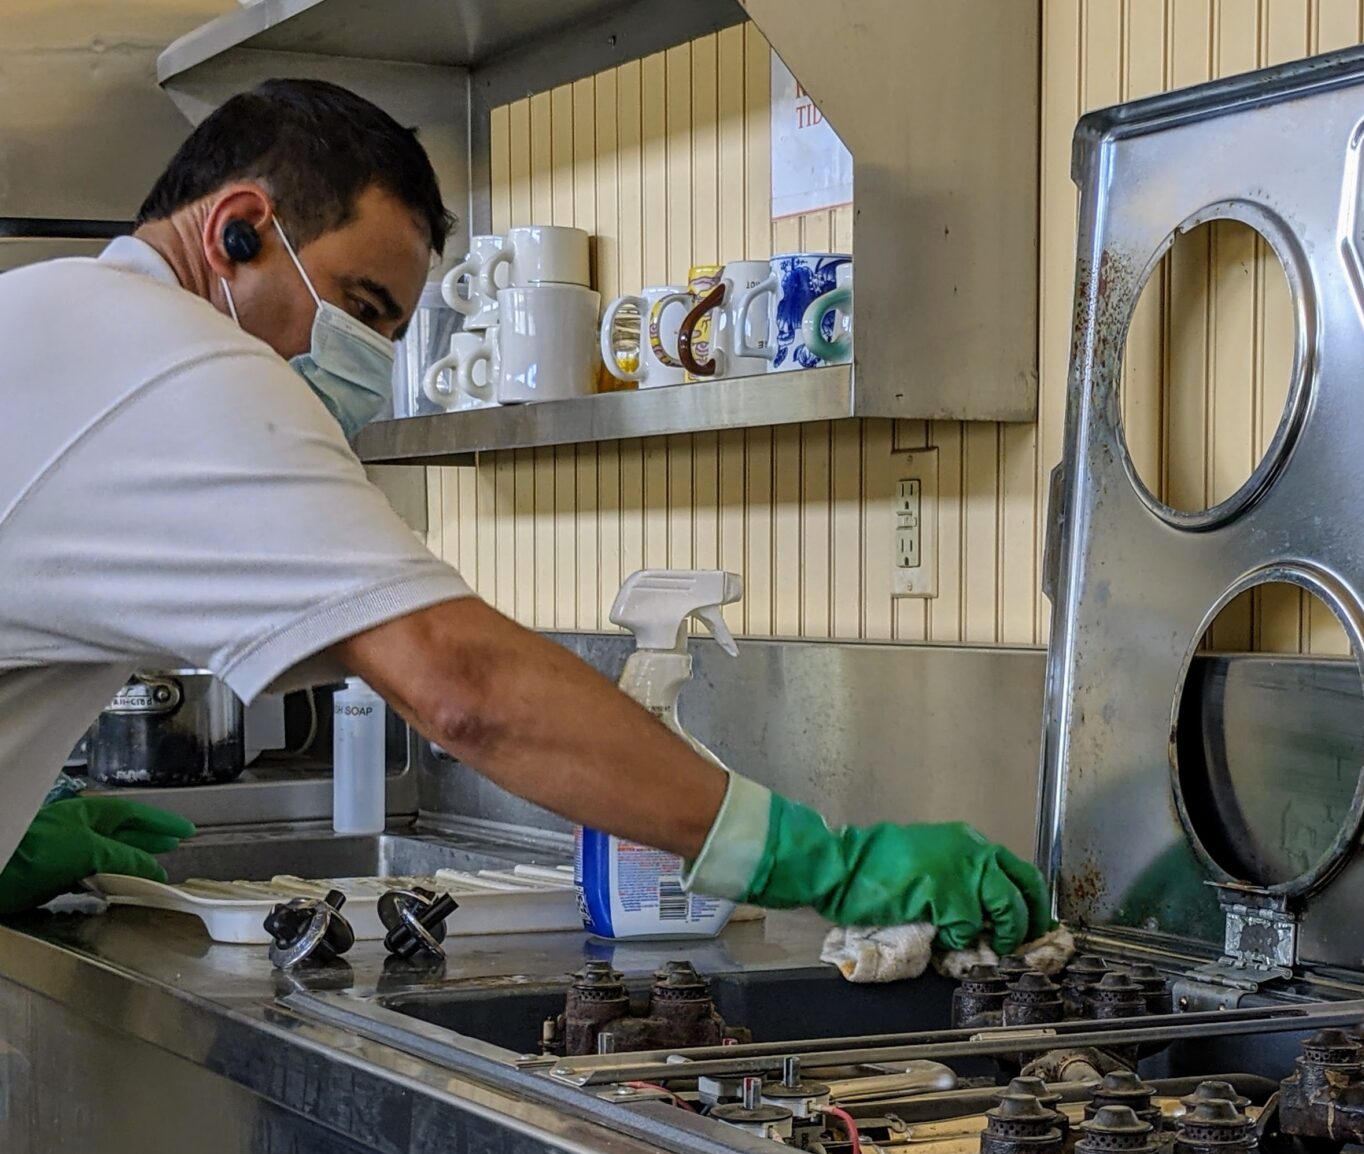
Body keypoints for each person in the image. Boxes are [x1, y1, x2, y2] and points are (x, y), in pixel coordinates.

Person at [0, 79, 1049, 954]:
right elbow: (463, 687)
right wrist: (817, 860)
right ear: (238, 229)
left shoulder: (56, 319)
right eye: (360, 308)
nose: (360, 363)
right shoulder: (180, 366)